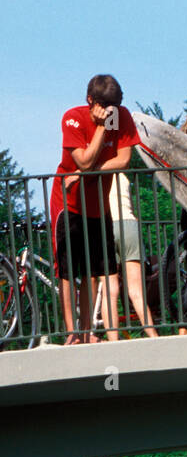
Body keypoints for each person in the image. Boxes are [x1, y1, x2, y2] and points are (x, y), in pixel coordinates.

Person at [51, 74, 140, 344]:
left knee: (94, 269)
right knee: (68, 271)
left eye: (115, 106)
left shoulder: (120, 115)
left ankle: (88, 331)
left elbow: (123, 160)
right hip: (69, 204)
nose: (112, 111)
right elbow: (86, 160)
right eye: (106, 106)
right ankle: (72, 333)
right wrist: (101, 129)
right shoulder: (73, 118)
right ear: (91, 100)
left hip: (99, 207)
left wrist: (86, 172)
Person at [108, 171, 158, 337]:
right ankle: (153, 337)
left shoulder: (93, 173)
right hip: (128, 224)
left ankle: (113, 341)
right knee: (136, 291)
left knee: (110, 292)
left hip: (106, 225)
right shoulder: (122, 175)